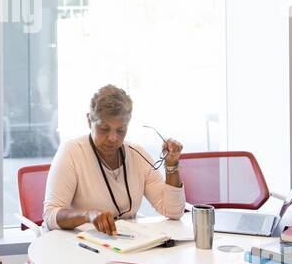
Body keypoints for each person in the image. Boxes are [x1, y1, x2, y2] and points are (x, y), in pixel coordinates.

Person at [43, 84, 186, 232]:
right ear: (89, 121)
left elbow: (173, 212)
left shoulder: (137, 154)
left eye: (121, 130)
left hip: (124, 244)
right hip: (80, 245)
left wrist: (171, 166)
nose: (113, 138)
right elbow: (50, 217)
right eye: (104, 129)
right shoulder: (72, 152)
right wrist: (87, 215)